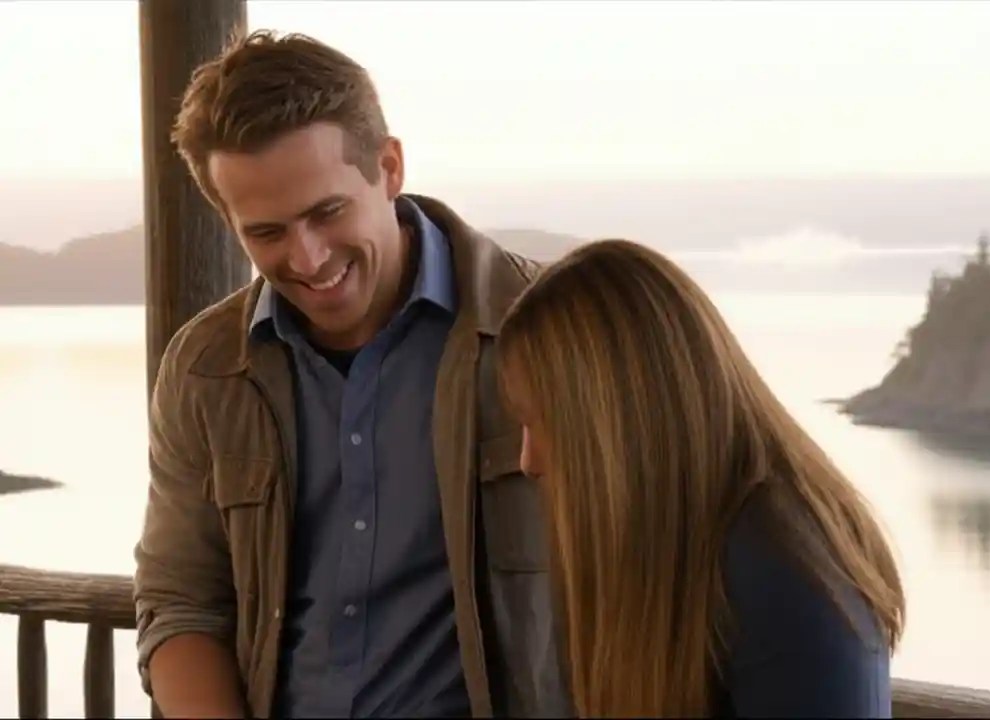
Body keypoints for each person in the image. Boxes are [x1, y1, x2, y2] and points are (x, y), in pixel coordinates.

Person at [131, 30, 570, 718]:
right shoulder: (204, 367)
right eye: (267, 233)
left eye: (326, 213)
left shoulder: (549, 329)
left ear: (389, 168)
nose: (307, 259)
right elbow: (182, 602)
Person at [496, 239, 907, 718]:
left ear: (617, 422)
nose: (528, 460)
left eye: (542, 421)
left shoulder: (785, 578)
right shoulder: (674, 546)